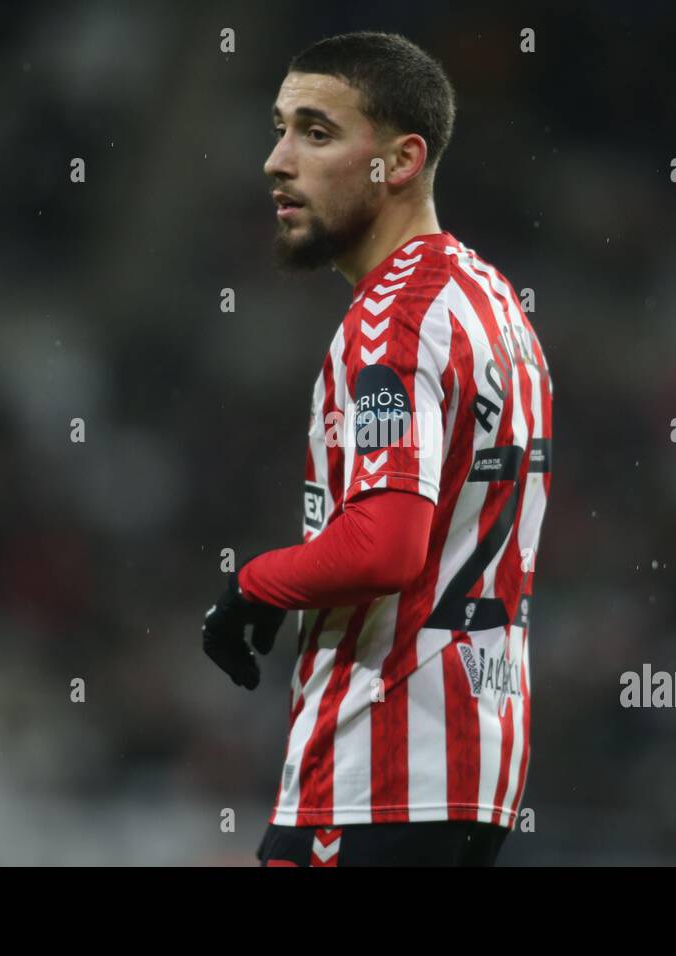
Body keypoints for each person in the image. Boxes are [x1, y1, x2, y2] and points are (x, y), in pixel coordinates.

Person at [201, 31, 554, 867]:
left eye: (316, 133)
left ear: (398, 162)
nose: (276, 161)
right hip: (476, 763)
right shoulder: (492, 302)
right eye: (280, 127)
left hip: (376, 766)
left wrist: (251, 588)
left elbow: (385, 543)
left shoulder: (395, 319)